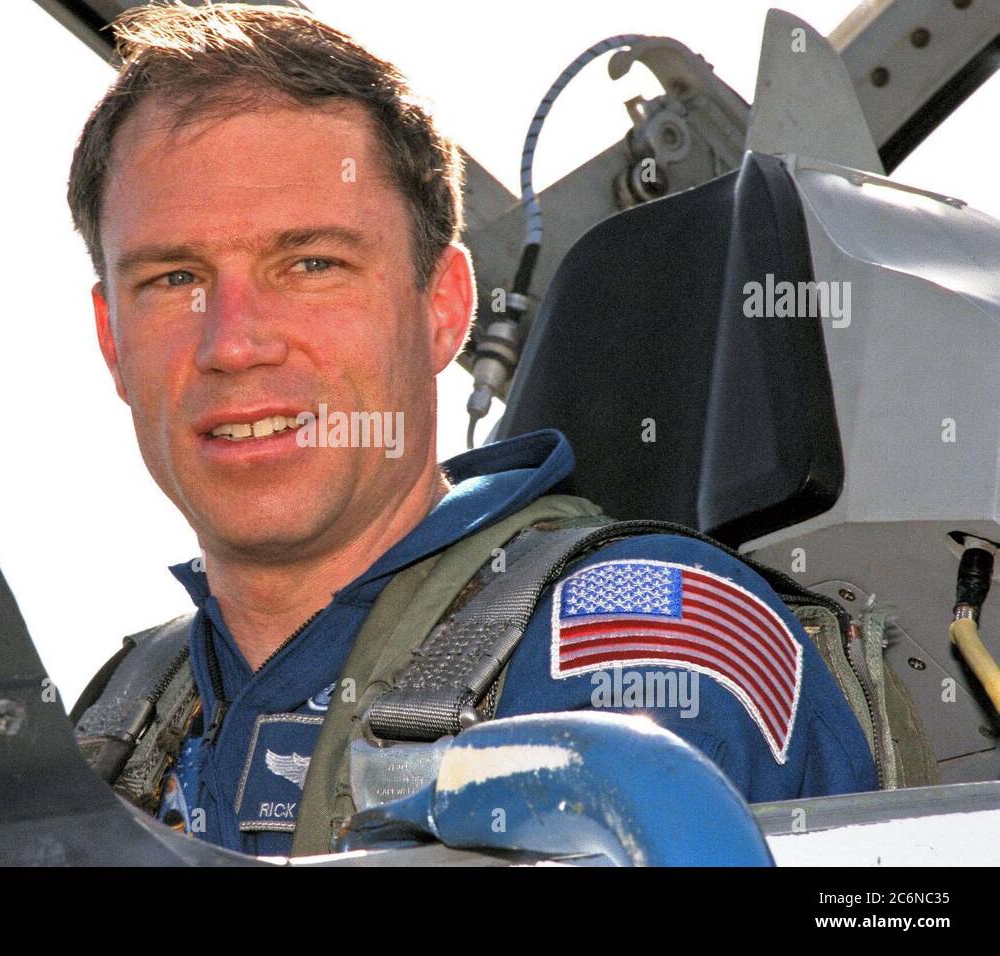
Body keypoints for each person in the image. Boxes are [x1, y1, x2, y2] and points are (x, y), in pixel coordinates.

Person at [66, 2, 877, 857]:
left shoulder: (643, 638)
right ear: (112, 340)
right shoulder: (110, 731)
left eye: (312, 265)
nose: (232, 341)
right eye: (174, 277)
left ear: (443, 308)